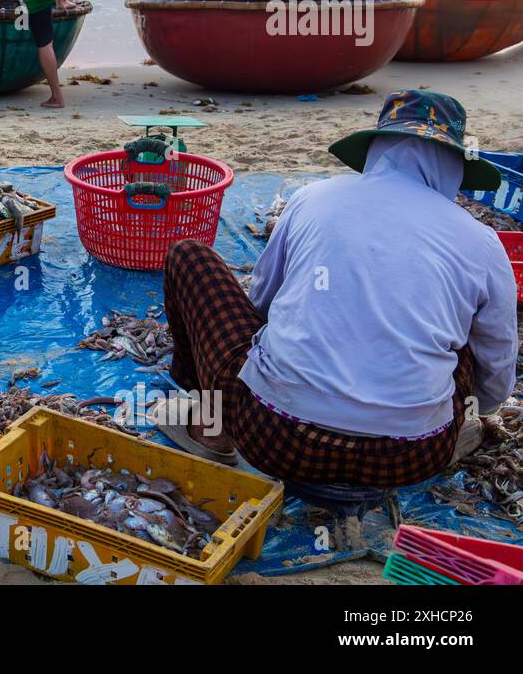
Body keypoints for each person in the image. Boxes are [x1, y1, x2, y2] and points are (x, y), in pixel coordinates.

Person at [156, 90, 518, 488]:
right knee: (465, 333)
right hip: (410, 456)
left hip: (272, 436)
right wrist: (478, 409)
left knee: (189, 255)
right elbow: (497, 356)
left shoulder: (315, 197)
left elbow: (261, 301)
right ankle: (453, 431)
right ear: (453, 164)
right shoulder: (482, 241)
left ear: (377, 150)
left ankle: (213, 427)